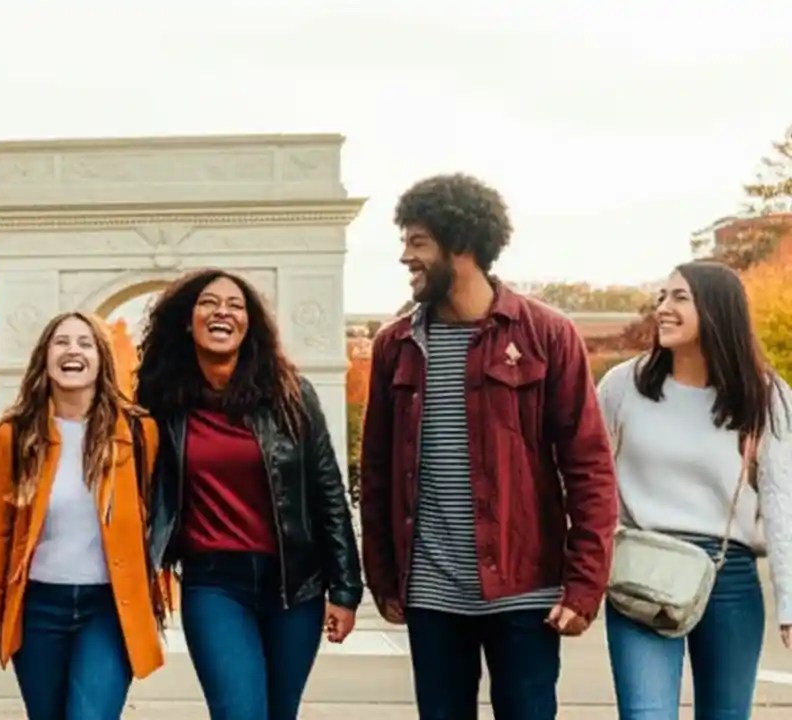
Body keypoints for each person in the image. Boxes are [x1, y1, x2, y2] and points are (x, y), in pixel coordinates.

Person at [359, 173, 619, 718]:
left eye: (418, 242)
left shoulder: (547, 334)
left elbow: (589, 466)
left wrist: (584, 583)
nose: (406, 256)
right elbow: (378, 470)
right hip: (431, 596)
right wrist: (382, 575)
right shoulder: (394, 347)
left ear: (462, 245)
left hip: (525, 592)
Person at [139, 269, 363, 720]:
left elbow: (328, 493)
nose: (222, 311)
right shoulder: (161, 402)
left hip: (294, 587)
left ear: (249, 323)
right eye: (208, 302)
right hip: (214, 584)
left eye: (235, 304)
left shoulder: (292, 395)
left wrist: (345, 589)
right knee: (239, 713)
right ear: (187, 320)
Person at [597, 261, 792, 718]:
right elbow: (589, 479)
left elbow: (783, 503)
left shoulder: (767, 396)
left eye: (679, 298)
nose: (663, 308)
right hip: (640, 572)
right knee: (646, 714)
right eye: (662, 297)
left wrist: (790, 603)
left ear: (717, 309)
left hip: (728, 575)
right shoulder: (623, 385)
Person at [0, 311, 164, 720]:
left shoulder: (138, 431)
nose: (72, 350)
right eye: (61, 342)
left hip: (109, 608)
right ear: (44, 357)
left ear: (101, 359)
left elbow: (159, 517)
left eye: (84, 342)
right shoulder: (16, 434)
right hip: (38, 607)